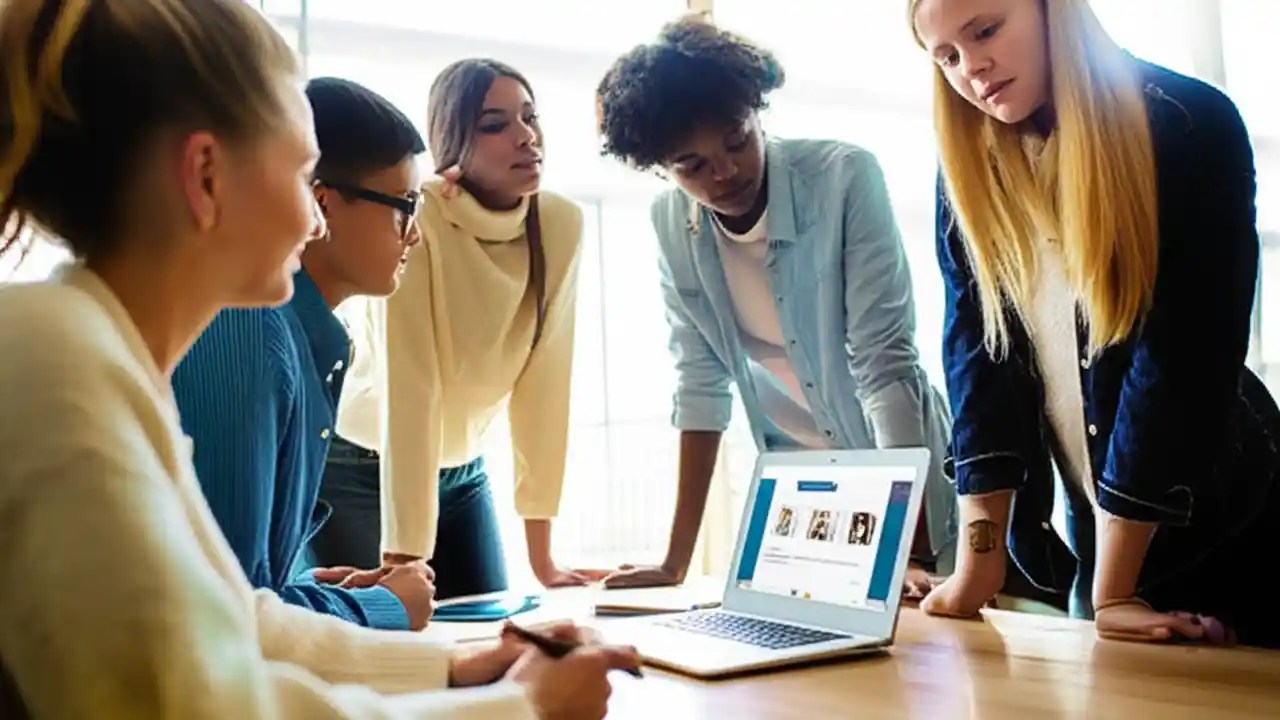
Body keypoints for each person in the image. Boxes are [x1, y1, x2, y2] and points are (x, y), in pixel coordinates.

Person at [0, 1, 638, 717]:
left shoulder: (88, 352)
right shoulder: (58, 365)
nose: (314, 217)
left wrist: (456, 666)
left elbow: (234, 617)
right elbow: (201, 704)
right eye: (304, 173)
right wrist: (524, 706)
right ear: (207, 176)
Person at [911, 0, 1280, 648]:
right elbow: (976, 363)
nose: (972, 68)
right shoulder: (968, 168)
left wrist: (1112, 590)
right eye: (947, 57)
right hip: (1098, 543)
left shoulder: (1187, 122)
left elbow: (1181, 359)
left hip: (1228, 530)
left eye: (986, 30)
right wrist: (977, 563)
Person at [594, 14, 956, 594]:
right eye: (692, 166)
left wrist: (903, 551)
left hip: (898, 482)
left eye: (737, 139)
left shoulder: (843, 178)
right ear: (660, 167)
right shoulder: (671, 225)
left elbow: (884, 364)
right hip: (802, 502)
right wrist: (673, 564)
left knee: (925, 640)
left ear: (757, 112)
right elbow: (700, 386)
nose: (726, 171)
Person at [323, 58, 600, 599]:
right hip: (362, 467)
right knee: (395, 632)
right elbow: (411, 386)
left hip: (462, 470)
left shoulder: (560, 223)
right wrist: (404, 560)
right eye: (495, 125)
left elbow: (546, 384)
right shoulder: (417, 218)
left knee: (491, 624)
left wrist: (543, 557)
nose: (525, 136)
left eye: (530, 117)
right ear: (454, 141)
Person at [171, 77, 435, 631]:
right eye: (405, 206)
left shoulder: (298, 336)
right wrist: (382, 608)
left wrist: (309, 589)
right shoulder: (249, 330)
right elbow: (227, 606)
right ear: (322, 203)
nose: (414, 235)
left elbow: (249, 577)